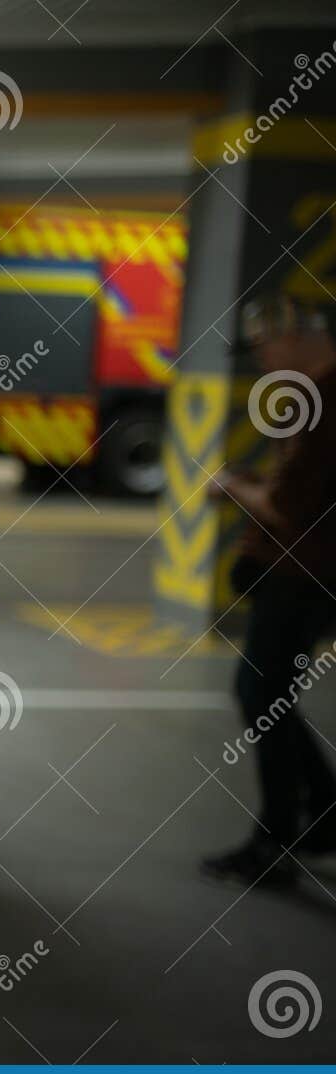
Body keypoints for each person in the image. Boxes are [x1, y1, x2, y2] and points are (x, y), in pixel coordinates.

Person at [203, 294, 336, 889]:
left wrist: (233, 485)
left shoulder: (325, 399)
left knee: (260, 692)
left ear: (295, 338)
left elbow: (286, 509)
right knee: (269, 692)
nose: (260, 360)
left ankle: (277, 840)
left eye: (263, 347)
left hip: (303, 577)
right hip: (307, 572)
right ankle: (326, 813)